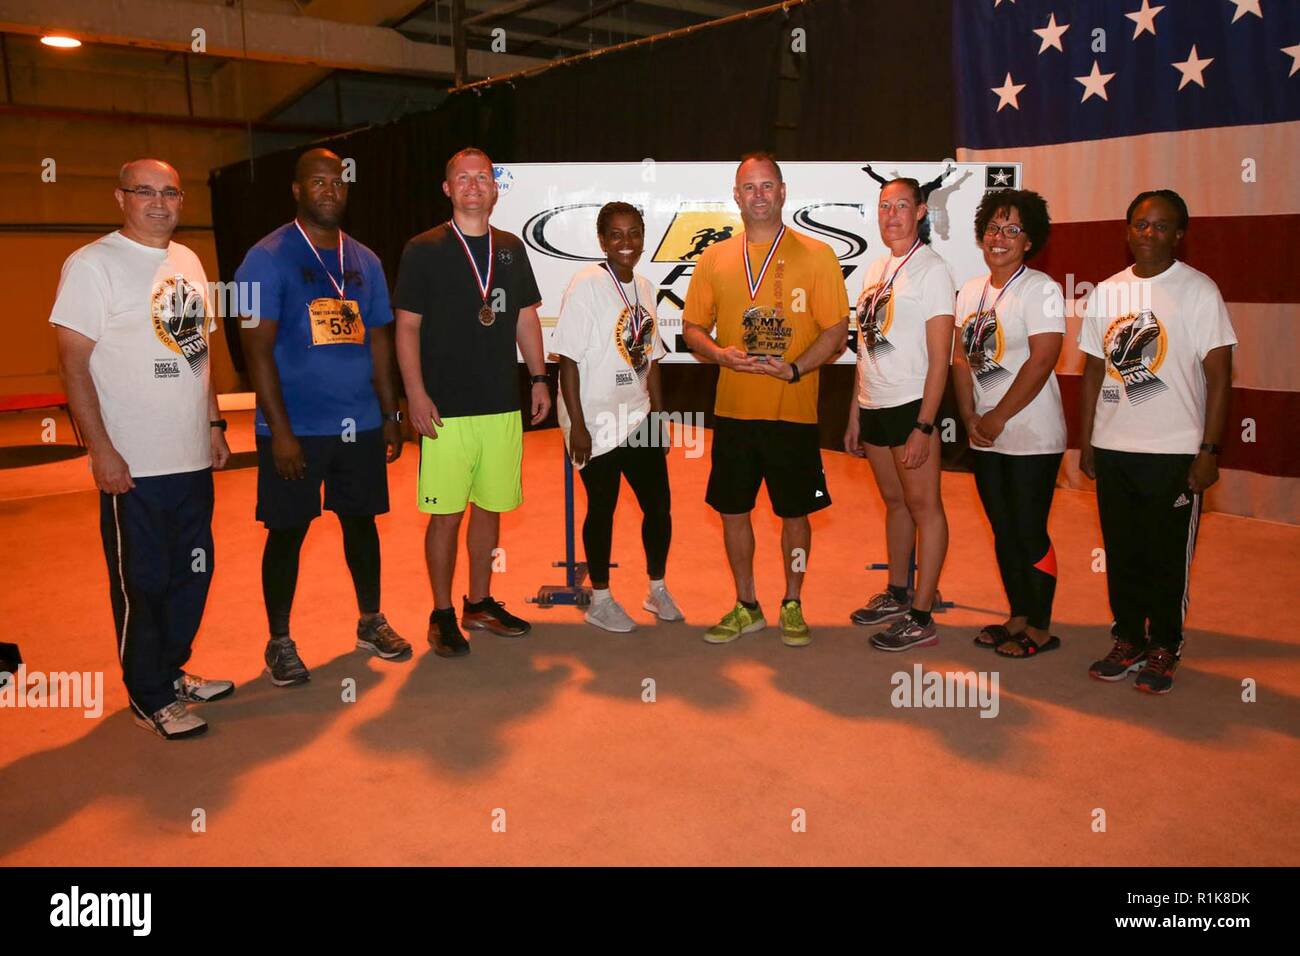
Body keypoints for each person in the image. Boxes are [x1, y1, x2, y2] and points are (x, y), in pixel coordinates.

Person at [50, 158, 232, 740]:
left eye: (170, 192)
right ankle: (148, 694)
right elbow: (73, 364)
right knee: (142, 583)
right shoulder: (91, 265)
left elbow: (198, 351)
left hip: (191, 459)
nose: (159, 202)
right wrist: (99, 449)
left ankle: (171, 671)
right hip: (134, 466)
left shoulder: (188, 260)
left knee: (192, 574)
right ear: (120, 197)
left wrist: (213, 423)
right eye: (144, 191)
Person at [236, 148, 411, 687]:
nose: (330, 190)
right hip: (295, 430)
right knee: (287, 531)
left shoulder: (366, 259)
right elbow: (253, 350)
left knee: (362, 524)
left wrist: (389, 411)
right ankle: (280, 640)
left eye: (337, 182)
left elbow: (379, 338)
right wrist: (280, 432)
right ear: (296, 190)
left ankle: (369, 619)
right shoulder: (261, 258)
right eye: (317, 181)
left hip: (357, 422)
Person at [682, 152, 849, 647]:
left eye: (766, 186)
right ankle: (746, 603)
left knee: (794, 513)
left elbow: (837, 332)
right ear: (736, 196)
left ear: (783, 191)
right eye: (748, 188)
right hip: (734, 411)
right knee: (733, 511)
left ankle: (793, 602)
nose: (758, 195)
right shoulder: (715, 258)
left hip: (792, 412)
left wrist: (795, 368)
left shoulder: (817, 256)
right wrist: (720, 355)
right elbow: (692, 329)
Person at [393, 147, 551, 657]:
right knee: (446, 514)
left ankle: (478, 602)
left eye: (482, 176)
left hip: (500, 404)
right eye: (462, 177)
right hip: (444, 408)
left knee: (491, 507)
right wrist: (415, 393)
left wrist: (539, 379)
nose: (473, 185)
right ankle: (441, 615)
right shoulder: (424, 248)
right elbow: (407, 326)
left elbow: (525, 317)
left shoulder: (509, 248)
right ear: (447, 188)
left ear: (494, 187)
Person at [1078, 189, 1235, 694]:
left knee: (1166, 556)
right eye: (1141, 224)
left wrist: (1209, 451)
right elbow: (1093, 368)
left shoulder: (1198, 291)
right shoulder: (1106, 292)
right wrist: (1088, 439)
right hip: (1114, 444)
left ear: (1179, 235)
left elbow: (1219, 375)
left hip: (1174, 451)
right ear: (1127, 230)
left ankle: (1165, 643)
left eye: (1162, 225)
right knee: (1122, 550)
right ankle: (1128, 637)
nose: (1150, 233)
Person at [551, 202, 681, 632]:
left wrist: (659, 417)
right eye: (617, 235)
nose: (627, 243)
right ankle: (601, 599)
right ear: (602, 241)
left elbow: (653, 358)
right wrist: (579, 425)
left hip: (638, 414)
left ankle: (656, 588)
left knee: (658, 507)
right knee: (602, 508)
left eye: (634, 234)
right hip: (596, 420)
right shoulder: (586, 285)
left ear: (643, 236)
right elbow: (567, 360)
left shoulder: (644, 285)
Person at [951, 189, 1067, 659]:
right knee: (1002, 527)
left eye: (1012, 229)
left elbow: (1043, 360)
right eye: (993, 228)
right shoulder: (971, 290)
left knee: (1028, 528)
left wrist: (998, 416)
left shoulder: (1041, 290)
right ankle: (1017, 614)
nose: (1000, 238)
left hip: (1032, 435)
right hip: (985, 432)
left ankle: (1039, 625)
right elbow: (961, 359)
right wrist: (970, 416)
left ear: (1029, 241)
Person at [844, 177, 956, 652]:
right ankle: (896, 591)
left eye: (901, 206)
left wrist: (924, 425)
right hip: (874, 404)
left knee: (925, 506)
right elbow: (865, 350)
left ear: (921, 212)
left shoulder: (933, 272)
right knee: (895, 504)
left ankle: (923, 614)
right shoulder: (874, 270)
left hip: (912, 406)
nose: (891, 214)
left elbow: (941, 359)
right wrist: (854, 413)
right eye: (884, 206)